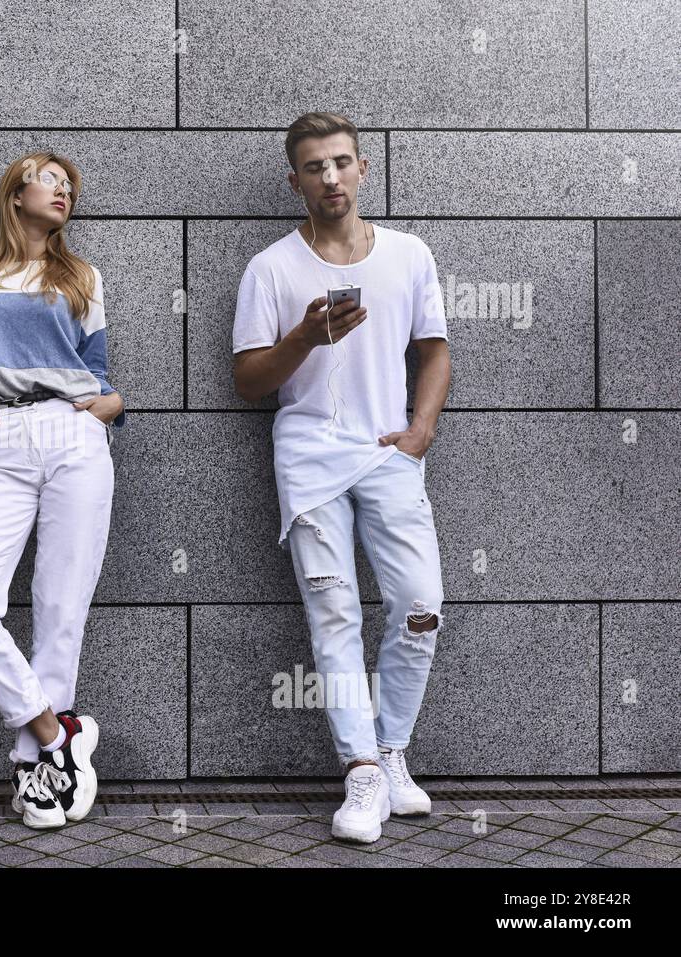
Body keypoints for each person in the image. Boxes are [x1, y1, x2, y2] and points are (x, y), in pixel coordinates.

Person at [231, 112, 451, 844]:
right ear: (294, 181)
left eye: (341, 163)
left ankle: (392, 752)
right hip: (310, 457)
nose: (330, 177)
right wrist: (305, 336)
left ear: (362, 169)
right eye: (315, 167)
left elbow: (435, 350)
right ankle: (359, 770)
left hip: (389, 451)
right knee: (334, 617)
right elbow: (247, 379)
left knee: (421, 603)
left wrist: (419, 431)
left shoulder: (409, 254)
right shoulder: (271, 267)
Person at [0, 152, 126, 829]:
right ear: (15, 195)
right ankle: (54, 731)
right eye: (50, 179)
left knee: (58, 608)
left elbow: (96, 373)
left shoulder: (83, 277)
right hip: (4, 442)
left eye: (71, 184)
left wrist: (106, 406)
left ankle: (39, 773)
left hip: (74, 436)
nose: (64, 189)